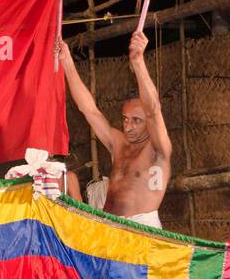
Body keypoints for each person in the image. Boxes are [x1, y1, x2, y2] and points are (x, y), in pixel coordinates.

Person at [60, 30, 171, 227]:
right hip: (111, 227)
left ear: (148, 122)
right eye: (125, 119)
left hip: (141, 229)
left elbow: (153, 109)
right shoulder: (118, 143)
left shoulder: (158, 149)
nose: (128, 126)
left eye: (136, 120)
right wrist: (67, 61)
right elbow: (89, 110)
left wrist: (138, 62)